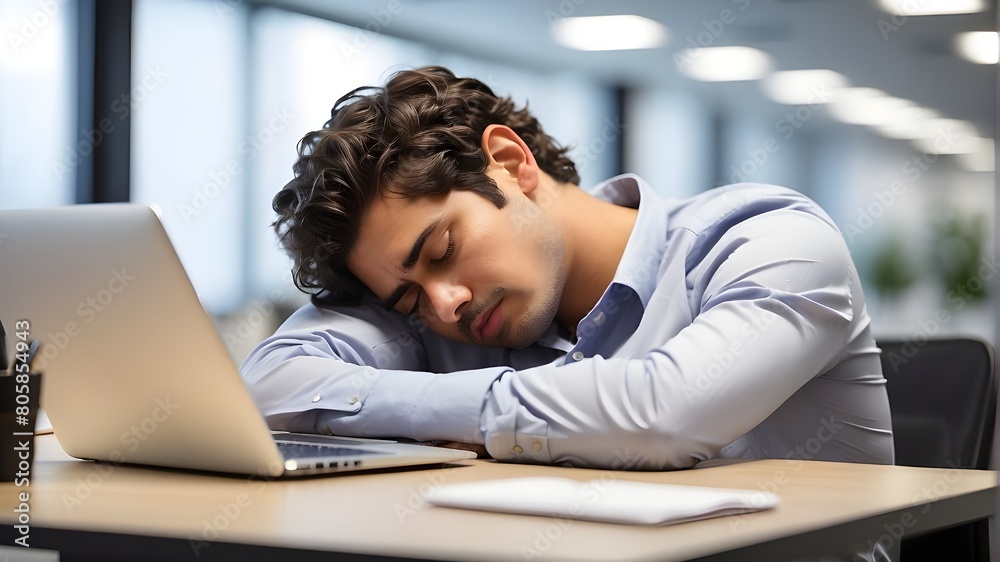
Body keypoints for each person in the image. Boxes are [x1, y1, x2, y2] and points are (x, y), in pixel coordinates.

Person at [241, 66, 894, 474]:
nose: (444, 306)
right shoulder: (443, 307)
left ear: (510, 162)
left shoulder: (770, 240)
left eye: (441, 250)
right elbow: (270, 387)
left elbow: (661, 417)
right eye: (408, 301)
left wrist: (466, 411)